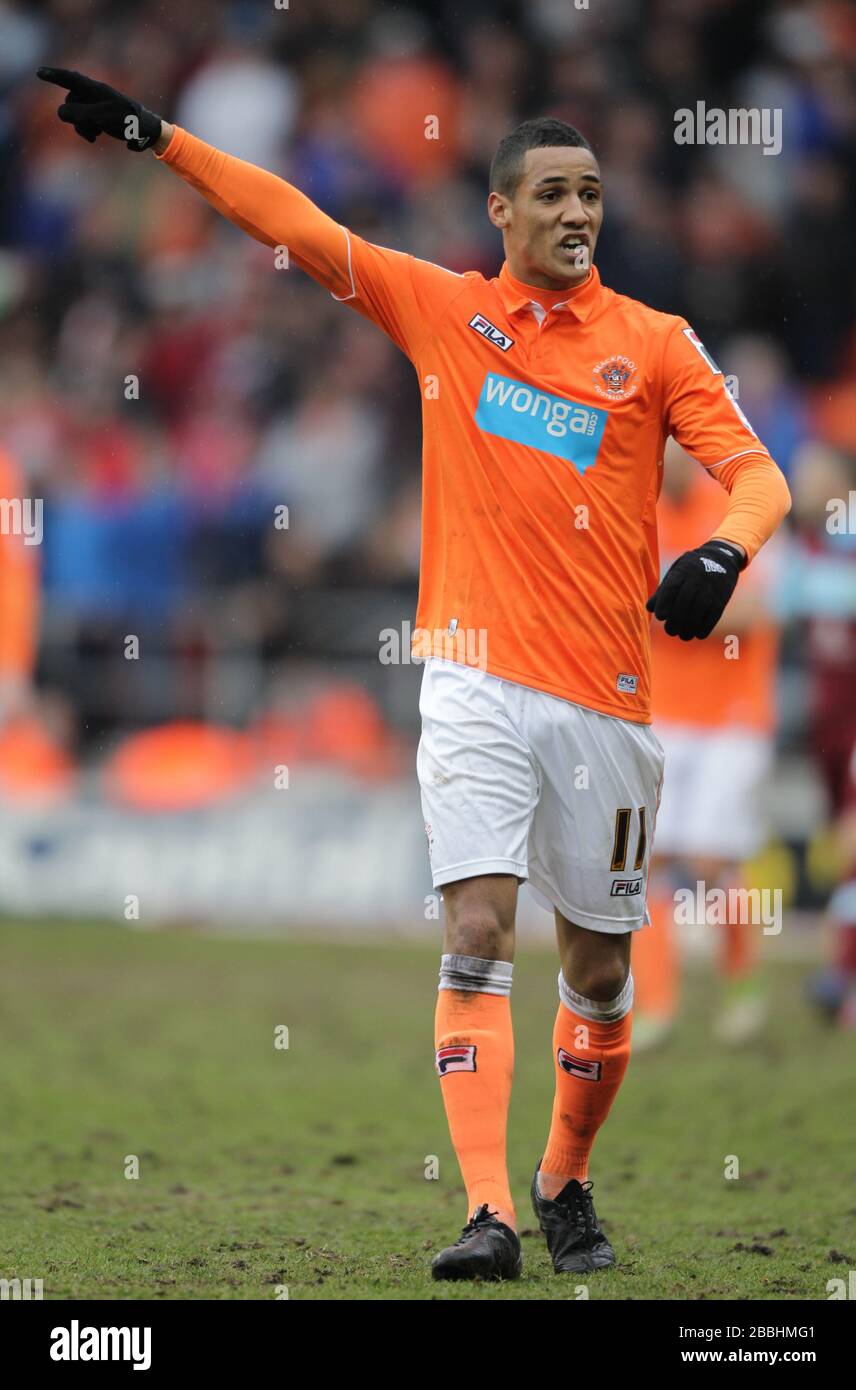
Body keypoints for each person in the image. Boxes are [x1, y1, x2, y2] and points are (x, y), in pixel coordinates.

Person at [36, 68, 792, 1281]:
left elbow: (760, 478)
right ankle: (488, 1212)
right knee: (478, 927)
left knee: (599, 973)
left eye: (590, 193)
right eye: (549, 193)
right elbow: (296, 225)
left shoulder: (652, 345)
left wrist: (719, 547)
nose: (575, 212)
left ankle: (562, 1180)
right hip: (472, 677)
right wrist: (159, 138)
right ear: (500, 212)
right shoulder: (442, 310)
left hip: (606, 696)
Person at [631, 441, 781, 1050]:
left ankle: (742, 984)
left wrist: (668, 610)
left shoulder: (735, 509)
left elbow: (755, 609)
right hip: (662, 709)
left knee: (715, 862)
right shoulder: (633, 511)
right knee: (652, 862)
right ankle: (658, 1006)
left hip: (732, 716)